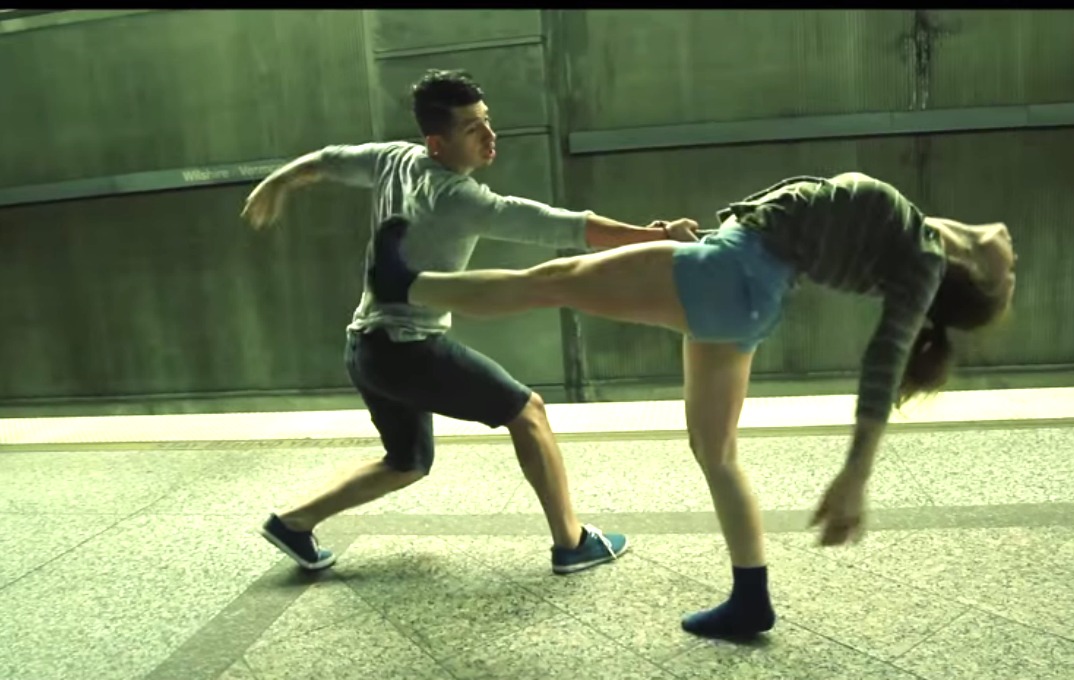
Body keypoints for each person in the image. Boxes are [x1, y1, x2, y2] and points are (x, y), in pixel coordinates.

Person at [367, 171, 1017, 640]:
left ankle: (405, 285)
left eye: (999, 268)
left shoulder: (922, 262)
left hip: (729, 272)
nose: (998, 246)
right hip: (748, 295)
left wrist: (855, 474)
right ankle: (750, 599)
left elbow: (884, 363)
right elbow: (968, 233)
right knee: (716, 451)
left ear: (961, 275)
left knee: (551, 282)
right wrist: (987, 252)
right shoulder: (919, 239)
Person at [239, 69, 700, 576]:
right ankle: (571, 543)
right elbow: (561, 226)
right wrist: (658, 236)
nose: (489, 136)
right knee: (528, 412)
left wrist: (279, 180)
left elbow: (327, 161)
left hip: (366, 348)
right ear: (437, 143)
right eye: (472, 129)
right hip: (409, 349)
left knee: (407, 462)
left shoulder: (393, 159)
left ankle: (293, 523)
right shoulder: (458, 197)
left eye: (487, 121)